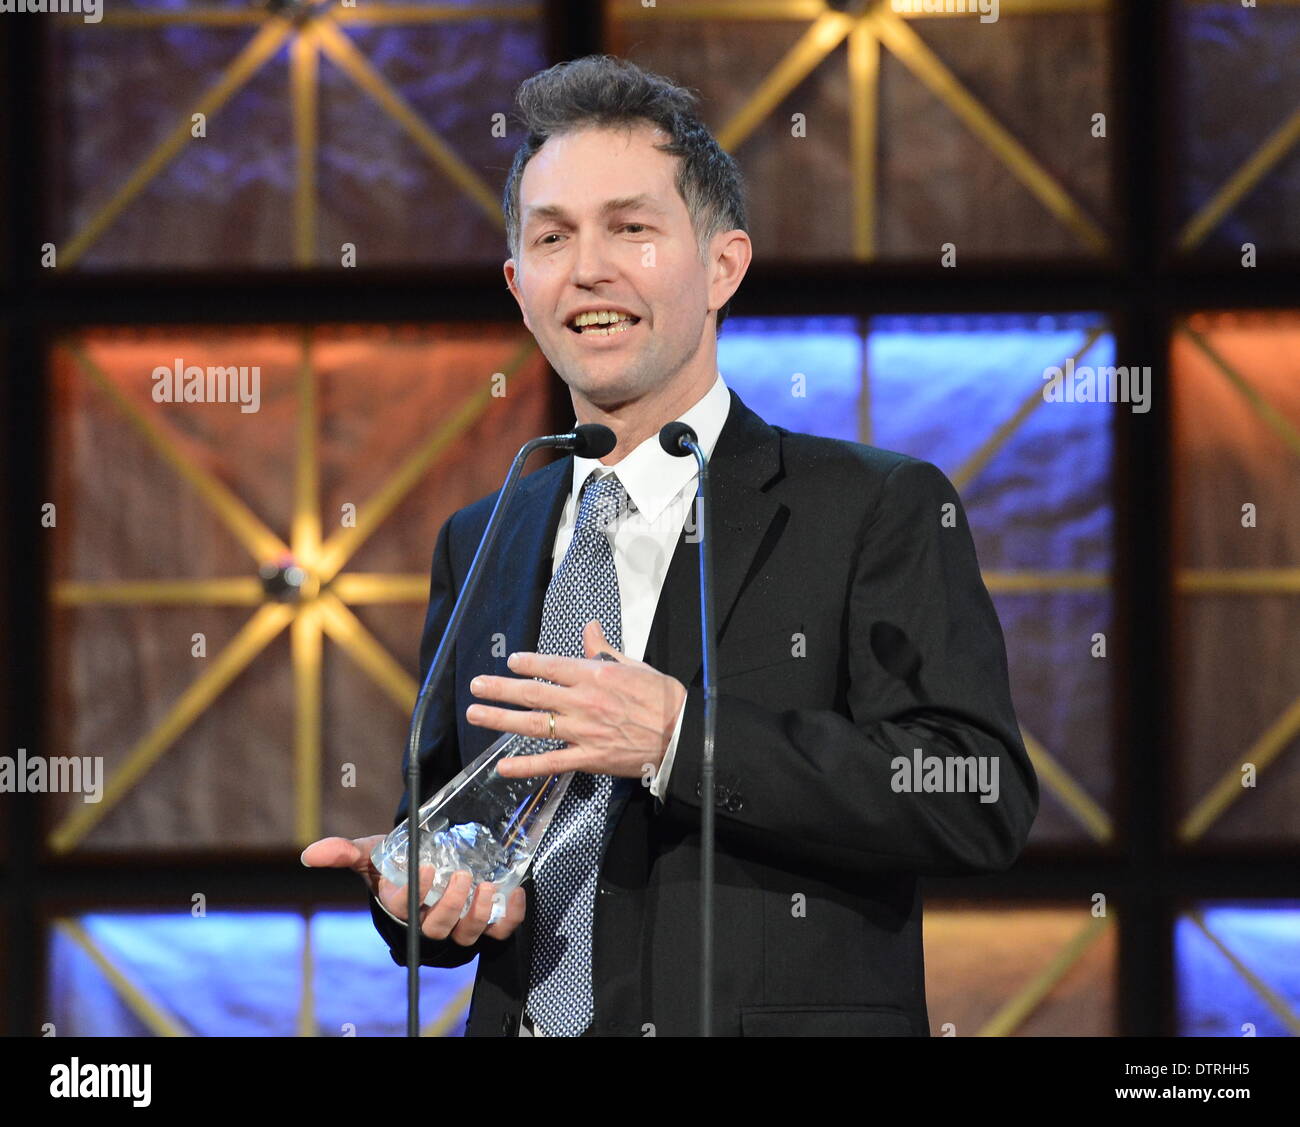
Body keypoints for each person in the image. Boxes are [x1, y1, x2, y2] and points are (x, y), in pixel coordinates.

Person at [302, 54, 1037, 1037]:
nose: (589, 267)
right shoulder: (479, 539)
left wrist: (679, 741)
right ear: (520, 285)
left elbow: (975, 792)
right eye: (553, 237)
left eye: (631, 227)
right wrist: (421, 886)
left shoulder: (872, 505)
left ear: (722, 264)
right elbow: (460, 821)